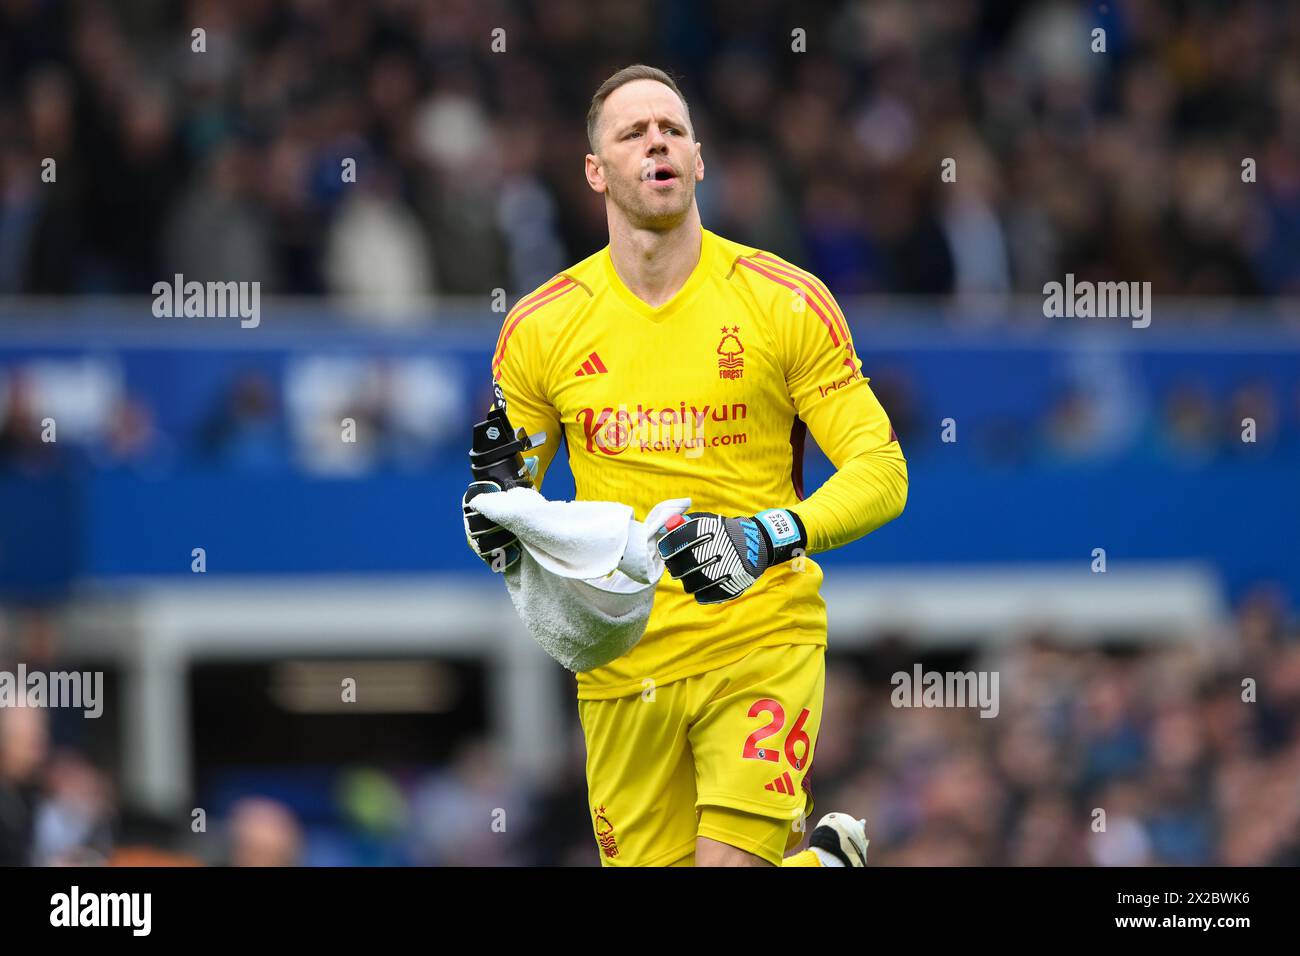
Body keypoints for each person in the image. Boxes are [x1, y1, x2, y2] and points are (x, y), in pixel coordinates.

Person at [468, 65, 907, 867]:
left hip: (759, 638)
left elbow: (882, 471)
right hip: (620, 666)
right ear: (597, 172)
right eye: (632, 132)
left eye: (671, 128)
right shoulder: (540, 328)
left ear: (699, 160)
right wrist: (488, 515)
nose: (657, 141)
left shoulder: (785, 302)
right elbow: (509, 520)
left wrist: (767, 537)